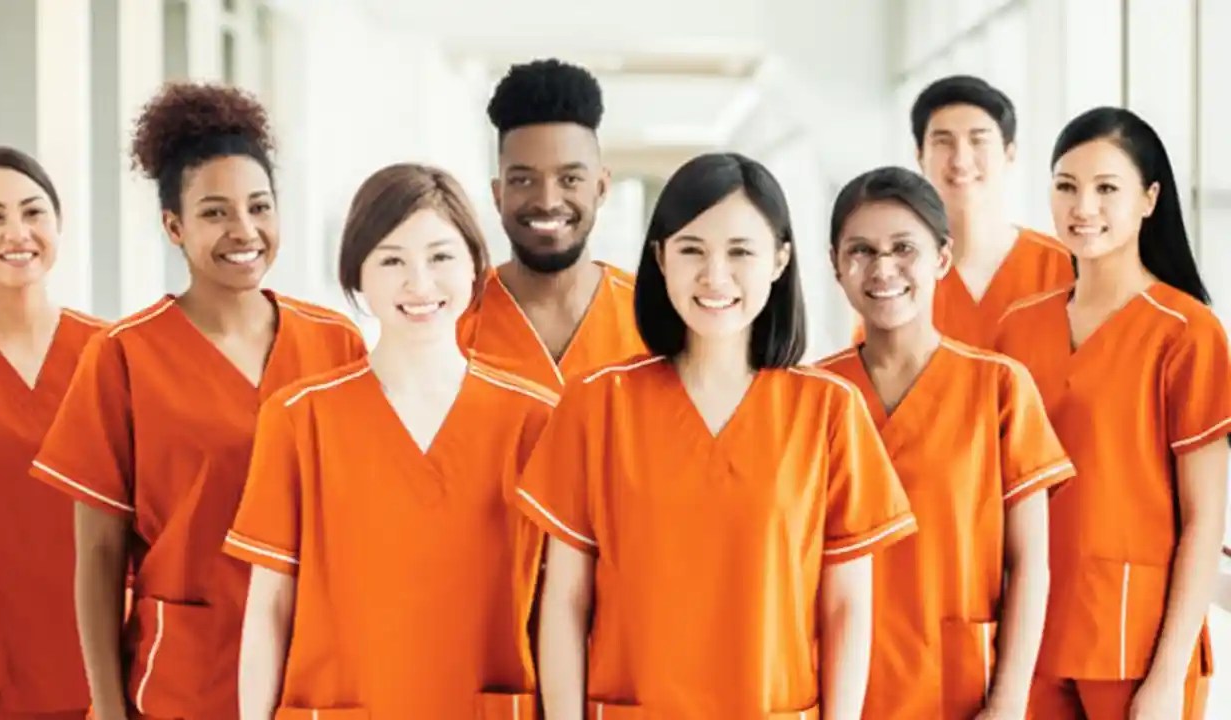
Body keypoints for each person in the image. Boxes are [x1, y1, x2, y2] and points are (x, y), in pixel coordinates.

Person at [517, 152, 917, 719]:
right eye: (691, 250)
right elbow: (565, 600)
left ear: (780, 260)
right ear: (660, 258)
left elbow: (847, 607)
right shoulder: (599, 404)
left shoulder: (828, 410)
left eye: (740, 252)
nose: (715, 276)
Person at [28, 83, 367, 720]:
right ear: (174, 227)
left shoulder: (335, 341)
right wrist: (105, 703)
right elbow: (99, 554)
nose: (245, 231)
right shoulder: (123, 355)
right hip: (190, 674)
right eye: (215, 213)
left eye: (259, 207)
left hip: (319, 666)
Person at [226, 163, 554, 719]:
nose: (419, 284)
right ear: (357, 275)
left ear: (476, 267)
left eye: (441, 257)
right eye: (392, 260)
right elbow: (269, 608)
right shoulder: (300, 418)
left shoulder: (535, 419)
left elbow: (561, 610)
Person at [995, 107, 1229, 719]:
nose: (1083, 207)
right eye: (1066, 186)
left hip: (1138, 644)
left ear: (1149, 200)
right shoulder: (1018, 329)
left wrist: (1167, 678)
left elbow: (1205, 521)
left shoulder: (1187, 332)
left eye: (1106, 189)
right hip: (1032, 640)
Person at [817, 166, 1073, 719]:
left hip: (959, 688)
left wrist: (1007, 700)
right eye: (860, 250)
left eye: (903, 247)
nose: (882, 268)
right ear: (836, 266)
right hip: (836, 688)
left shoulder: (1000, 387)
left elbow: (1029, 565)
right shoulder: (809, 395)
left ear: (941, 258)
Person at [0, 148, 100, 720]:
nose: (18, 232)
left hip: (101, 653)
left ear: (58, 224)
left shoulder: (114, 354)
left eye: (34, 212)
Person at [458, 58, 646, 393]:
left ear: (601, 188)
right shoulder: (456, 318)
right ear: (498, 194)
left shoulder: (650, 316)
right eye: (523, 180)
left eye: (569, 179)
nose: (547, 200)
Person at [866, 75, 1074, 349]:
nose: (961, 160)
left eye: (978, 140)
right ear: (919, 155)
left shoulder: (1063, 268)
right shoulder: (896, 275)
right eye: (943, 142)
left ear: (1009, 153)